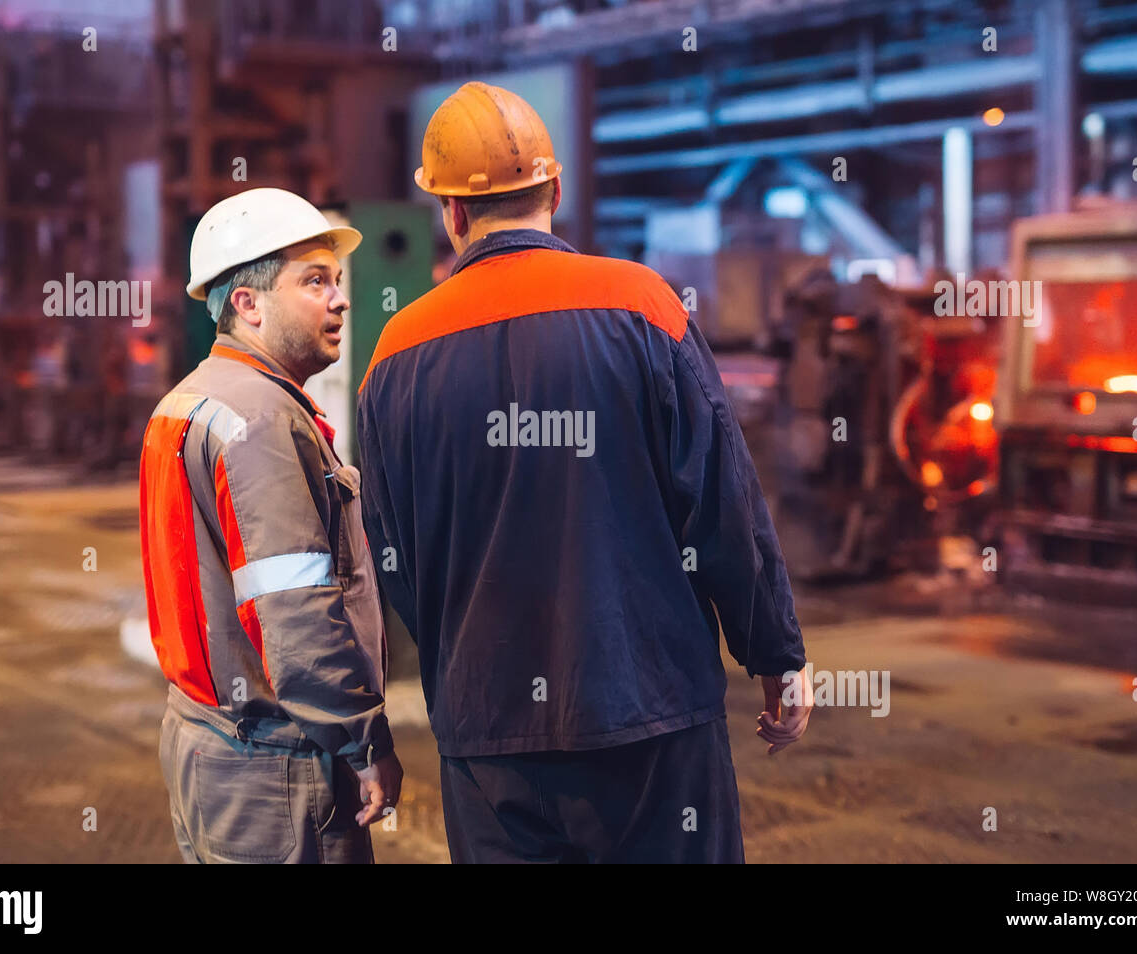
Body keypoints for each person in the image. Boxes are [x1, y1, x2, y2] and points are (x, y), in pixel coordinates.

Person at [356, 82, 812, 864]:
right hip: (649, 712)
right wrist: (773, 651)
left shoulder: (395, 354)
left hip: (488, 732)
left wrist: (460, 660)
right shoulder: (642, 305)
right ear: (557, 191)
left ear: (452, 214)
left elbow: (392, 559)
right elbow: (721, 503)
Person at [140, 187, 401, 863]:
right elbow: (295, 610)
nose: (340, 299)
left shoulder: (189, 401)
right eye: (315, 281)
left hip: (207, 744)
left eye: (337, 281)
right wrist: (362, 740)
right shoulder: (261, 420)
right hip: (275, 769)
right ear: (246, 304)